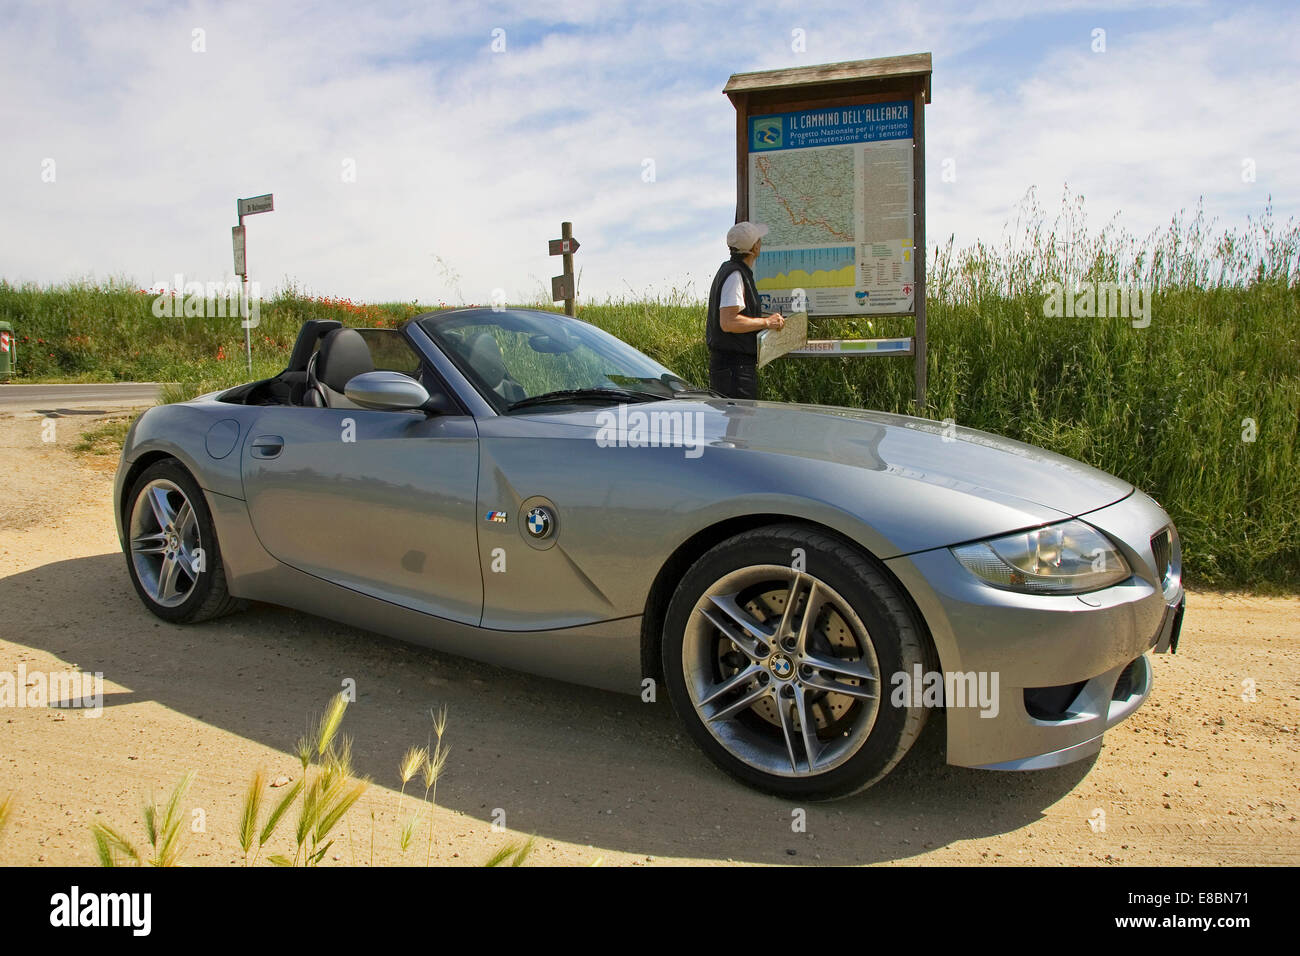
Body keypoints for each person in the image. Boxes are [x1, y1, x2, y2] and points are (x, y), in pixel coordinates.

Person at [705, 221, 785, 399]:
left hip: (732, 368)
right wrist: (767, 322)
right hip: (734, 370)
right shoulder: (735, 275)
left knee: (738, 423)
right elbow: (728, 322)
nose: (760, 243)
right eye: (758, 240)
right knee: (740, 423)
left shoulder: (732, 271)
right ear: (754, 248)